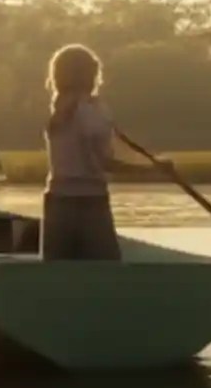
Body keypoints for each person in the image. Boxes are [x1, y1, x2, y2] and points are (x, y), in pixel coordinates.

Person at [41, 43, 173, 261]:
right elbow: (104, 163)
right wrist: (153, 169)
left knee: (58, 271)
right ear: (90, 75)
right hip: (88, 203)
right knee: (104, 268)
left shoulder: (68, 111)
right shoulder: (88, 111)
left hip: (60, 201)